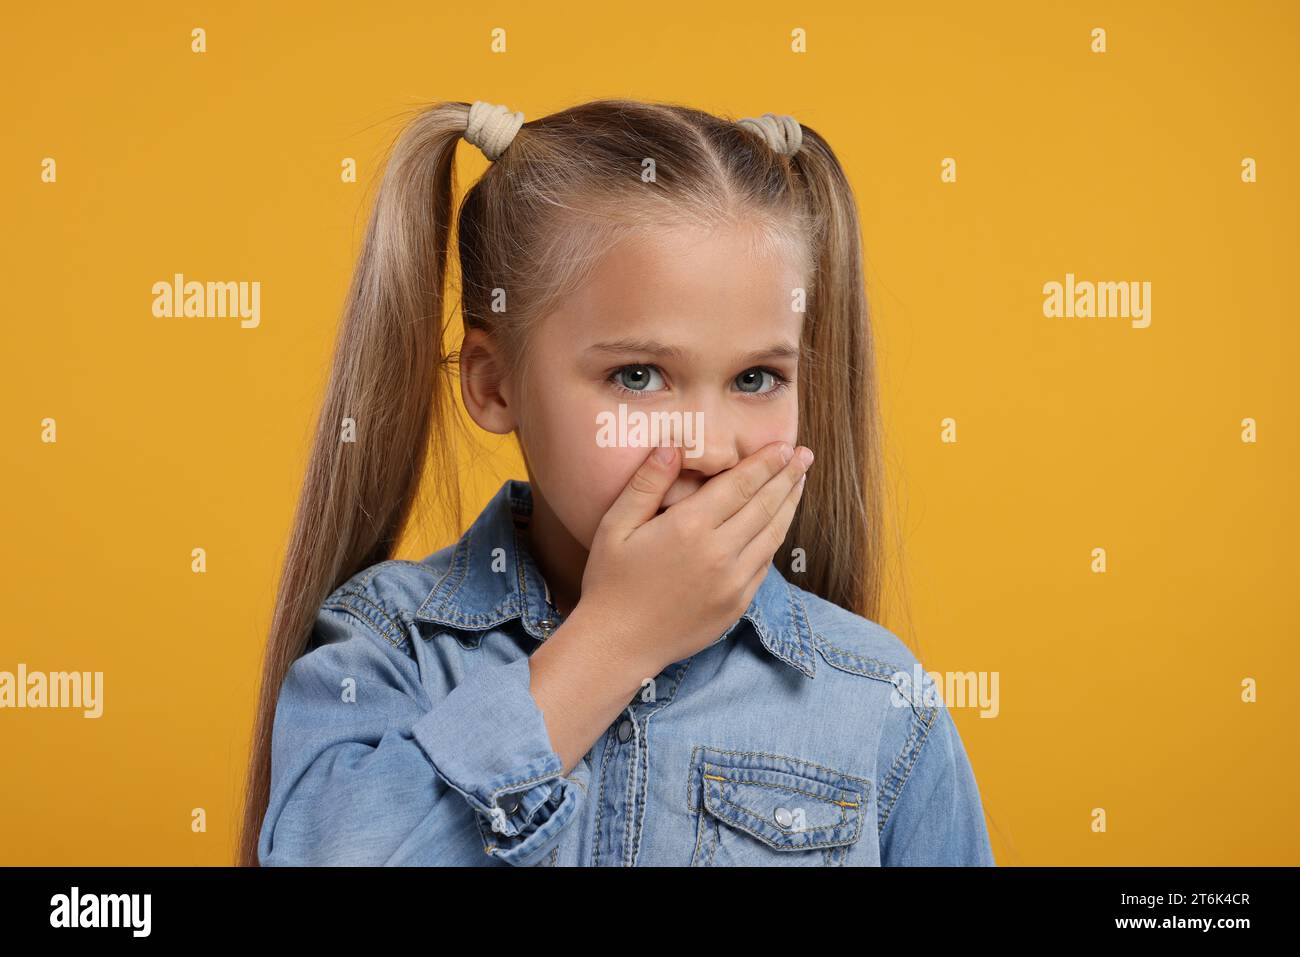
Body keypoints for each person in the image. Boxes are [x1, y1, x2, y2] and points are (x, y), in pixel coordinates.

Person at [239, 99, 996, 866]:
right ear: (496, 385)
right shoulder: (385, 647)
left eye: (758, 377)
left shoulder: (876, 695)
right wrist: (616, 638)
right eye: (638, 376)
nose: (707, 444)